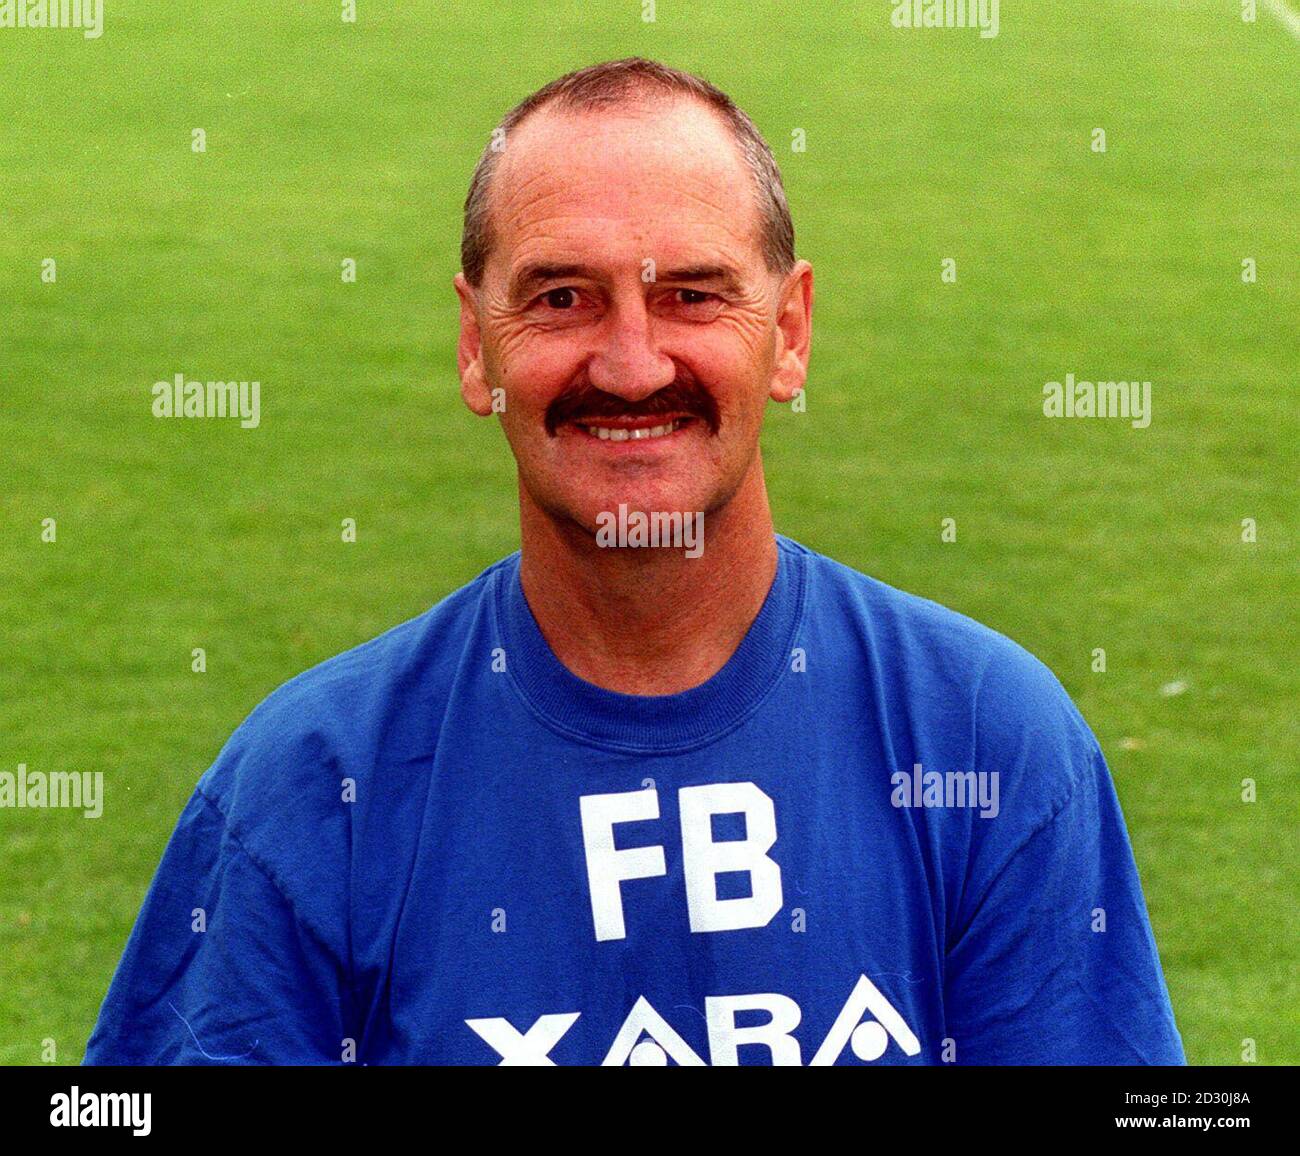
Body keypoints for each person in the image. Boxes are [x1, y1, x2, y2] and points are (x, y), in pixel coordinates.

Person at [85, 58, 1184, 1066]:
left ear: (790, 331)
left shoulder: (986, 740)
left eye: (690, 295)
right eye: (562, 297)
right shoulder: (313, 785)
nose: (629, 362)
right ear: (476, 347)